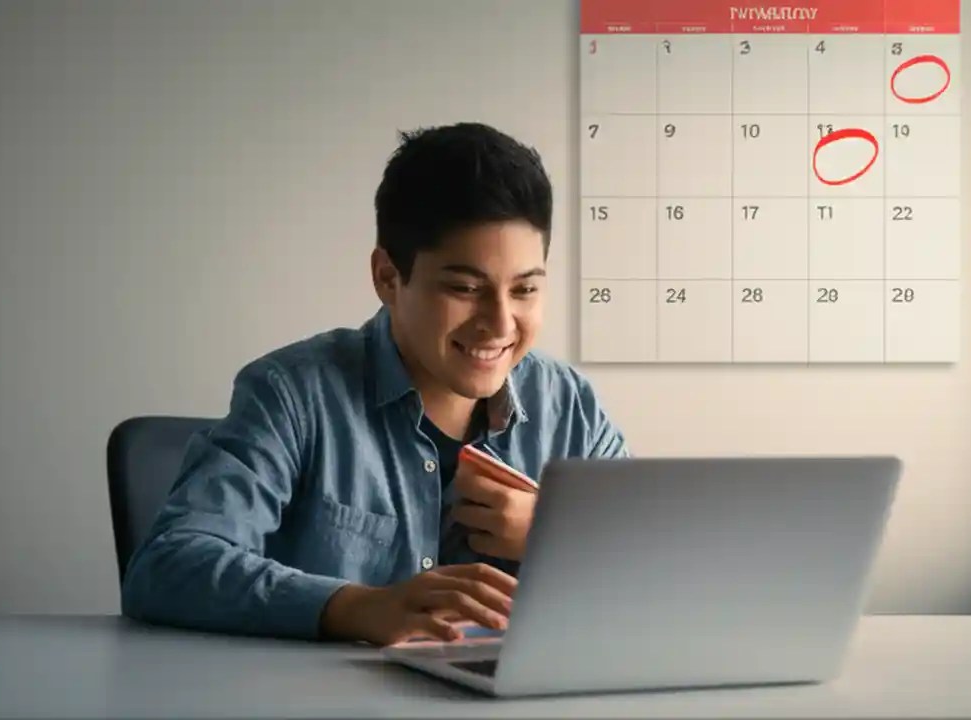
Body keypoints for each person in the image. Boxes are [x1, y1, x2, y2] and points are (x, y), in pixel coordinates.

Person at [120, 122, 629, 646]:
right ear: (388, 277)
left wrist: (558, 537)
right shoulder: (292, 395)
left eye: (524, 290)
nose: (500, 324)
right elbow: (166, 565)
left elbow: (660, 569)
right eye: (464, 288)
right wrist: (356, 607)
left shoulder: (573, 409)